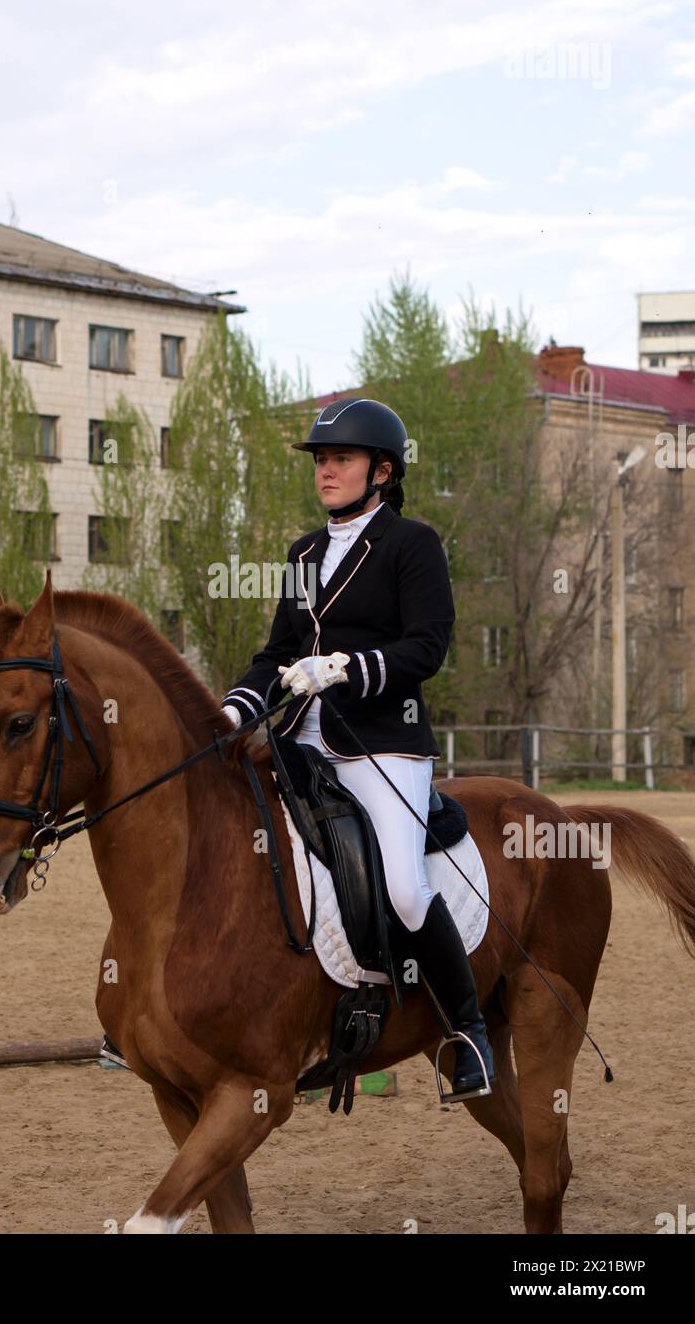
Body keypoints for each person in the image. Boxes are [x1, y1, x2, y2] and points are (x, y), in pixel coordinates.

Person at [220, 395, 495, 1099]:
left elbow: (426, 646)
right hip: (299, 739)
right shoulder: (303, 553)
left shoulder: (412, 544)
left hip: (381, 745)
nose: (326, 471)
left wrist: (344, 668)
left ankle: (468, 1031)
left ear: (381, 470)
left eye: (339, 459)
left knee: (405, 889)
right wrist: (231, 709)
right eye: (321, 460)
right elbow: (276, 652)